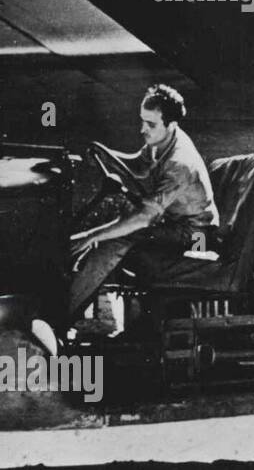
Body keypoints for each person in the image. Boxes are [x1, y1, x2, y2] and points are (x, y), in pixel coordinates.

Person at [67, 85, 218, 324]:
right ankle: (70, 296)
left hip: (196, 234)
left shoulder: (180, 163)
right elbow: (139, 166)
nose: (142, 130)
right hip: (174, 224)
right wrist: (105, 153)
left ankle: (62, 316)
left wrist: (89, 236)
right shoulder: (162, 140)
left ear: (171, 123)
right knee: (115, 224)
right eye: (142, 121)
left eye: (150, 124)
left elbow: (144, 217)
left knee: (119, 237)